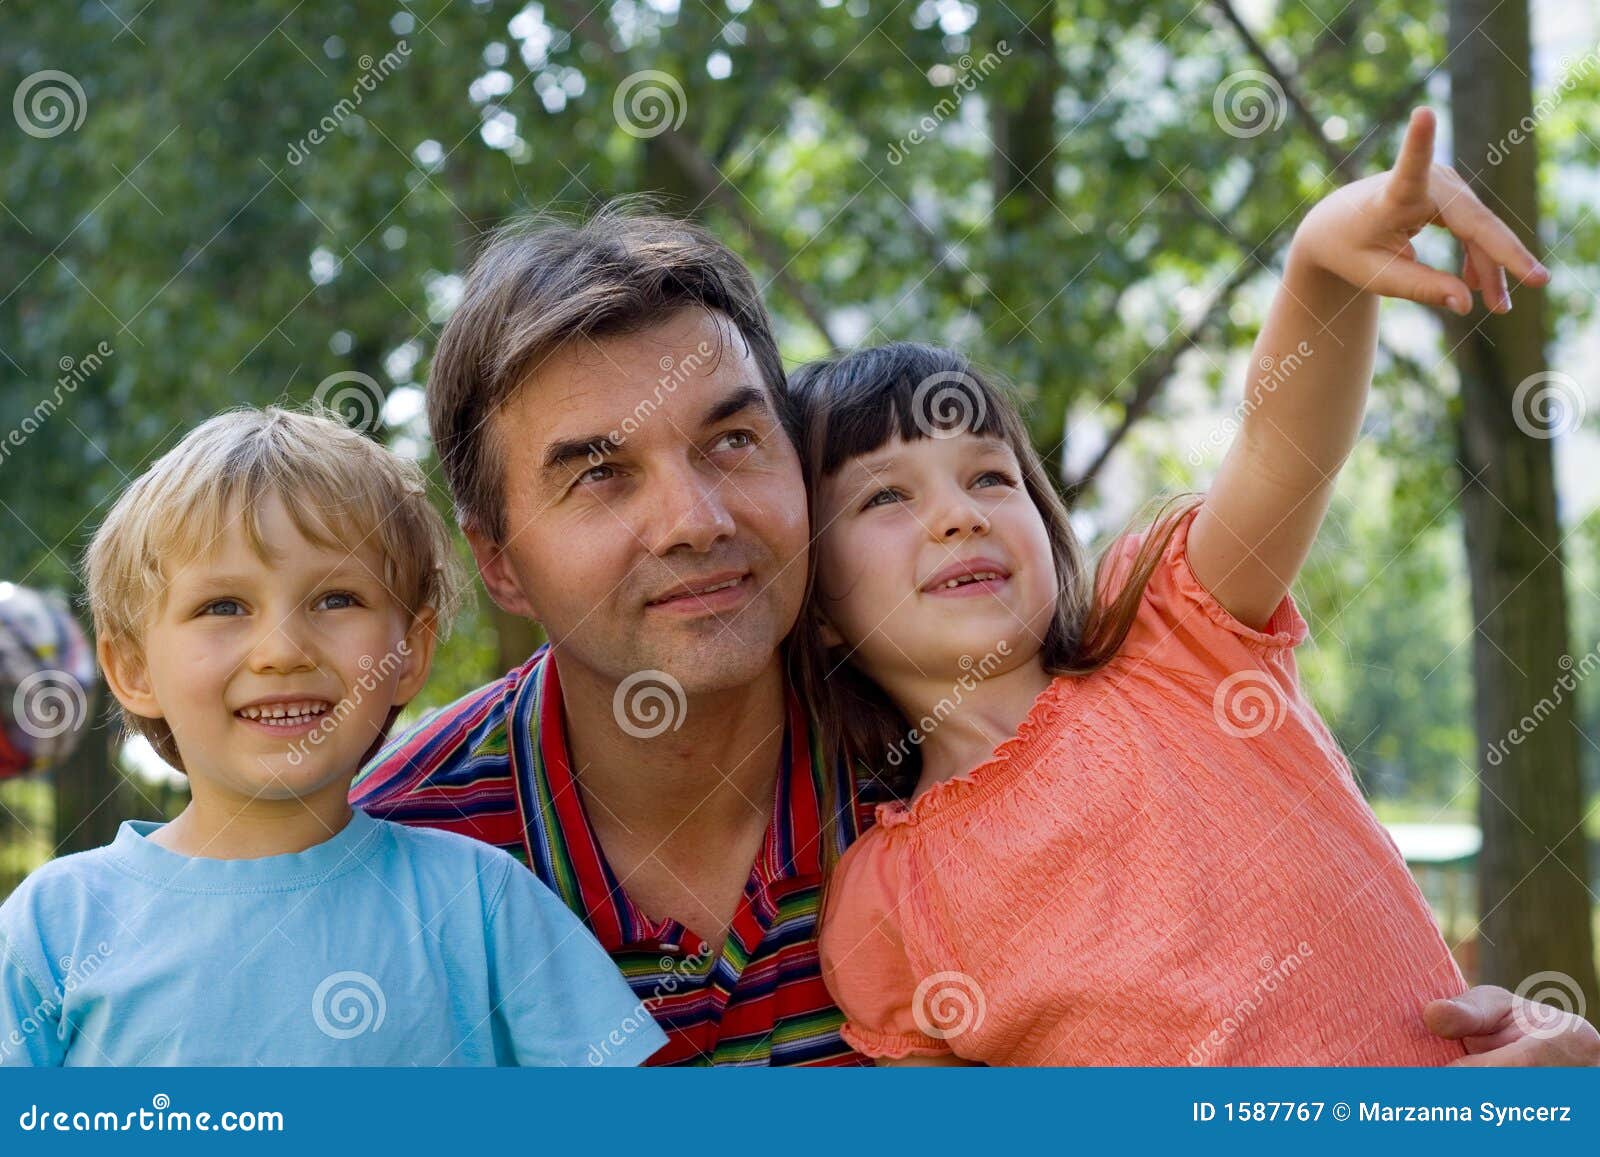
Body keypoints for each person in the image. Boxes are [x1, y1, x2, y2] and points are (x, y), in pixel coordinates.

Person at [353, 184, 1600, 1066]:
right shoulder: (393, 862)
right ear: (500, 560)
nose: (692, 518)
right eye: (598, 473)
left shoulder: (1021, 705)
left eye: (733, 439)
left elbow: (1281, 457)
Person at [798, 108, 1558, 1065]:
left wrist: (1321, 267)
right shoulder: (888, 901)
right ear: (818, 609)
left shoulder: (1169, 636)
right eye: (885, 497)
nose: (960, 514)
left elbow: (1284, 450)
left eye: (991, 475)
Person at [0, 406, 664, 1067]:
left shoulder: (482, 903)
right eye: (222, 606)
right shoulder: (57, 926)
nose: (282, 651)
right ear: (134, 669)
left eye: (335, 598)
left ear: (410, 649)